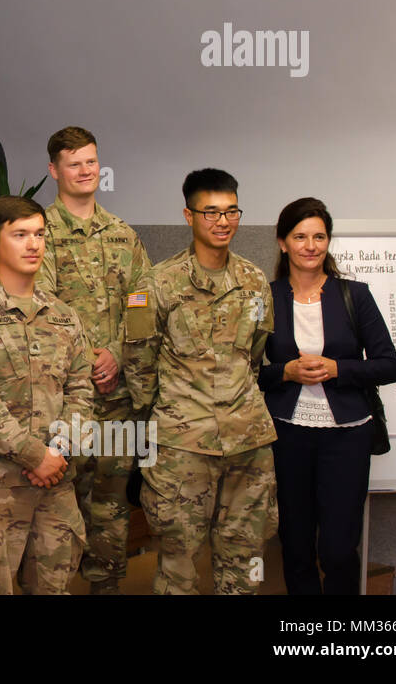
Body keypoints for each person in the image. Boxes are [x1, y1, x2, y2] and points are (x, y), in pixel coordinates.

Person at [123, 168, 277, 595]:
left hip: (248, 443)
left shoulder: (254, 282)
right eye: (210, 212)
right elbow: (138, 363)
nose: (222, 222)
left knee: (245, 562)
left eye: (231, 211)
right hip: (182, 448)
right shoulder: (157, 283)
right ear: (188, 216)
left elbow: (257, 352)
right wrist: (168, 419)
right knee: (178, 565)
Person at [0, 196, 94, 595]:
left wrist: (58, 452)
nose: (33, 244)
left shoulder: (65, 315)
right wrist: (35, 455)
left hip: (54, 486)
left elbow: (81, 389)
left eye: (40, 234)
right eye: (20, 234)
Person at [259, 197, 396, 595]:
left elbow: (390, 365)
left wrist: (339, 368)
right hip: (287, 435)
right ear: (283, 242)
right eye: (300, 236)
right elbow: (245, 374)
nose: (310, 245)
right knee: (296, 547)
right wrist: (284, 371)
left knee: (338, 549)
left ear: (328, 241)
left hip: (347, 436)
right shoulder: (264, 297)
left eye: (319, 236)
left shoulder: (355, 294)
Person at [36, 127, 151, 594]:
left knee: (111, 510)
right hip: (62, 401)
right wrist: (89, 358)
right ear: (54, 171)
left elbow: (142, 304)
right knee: (57, 514)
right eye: (74, 163)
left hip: (117, 398)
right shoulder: (39, 232)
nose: (85, 171)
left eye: (91, 161)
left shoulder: (123, 234)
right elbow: (38, 308)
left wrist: (118, 355)